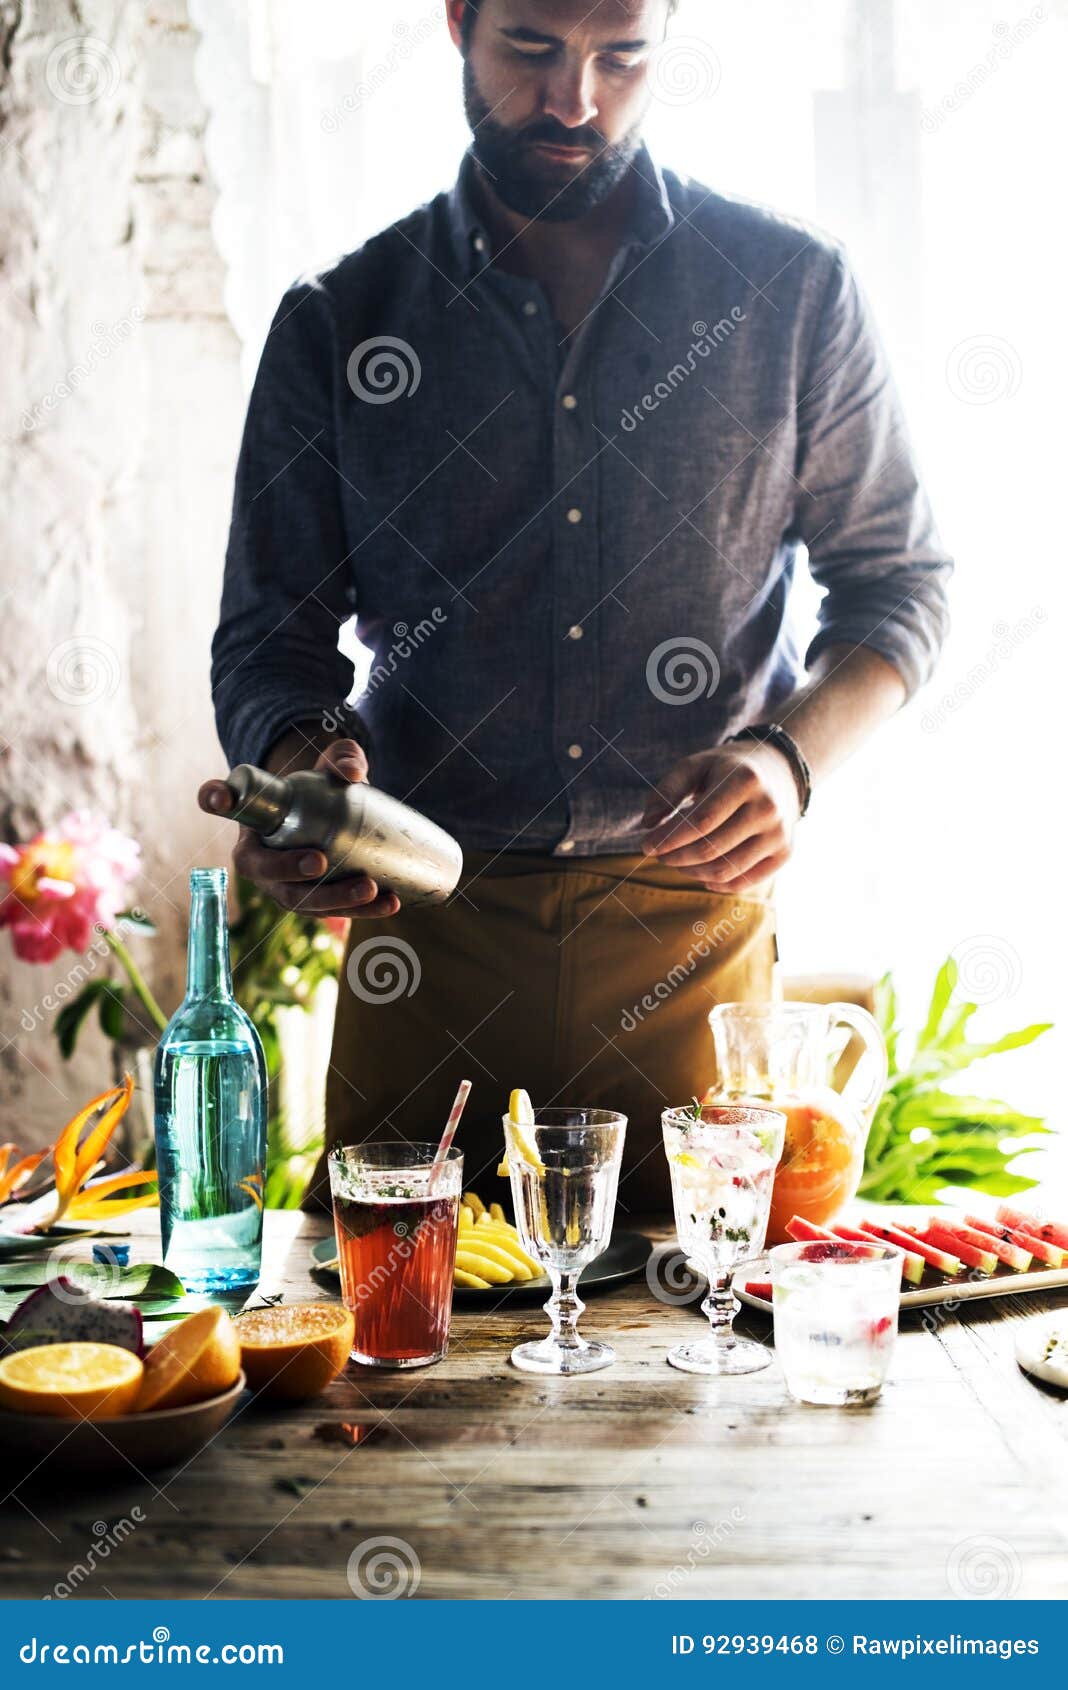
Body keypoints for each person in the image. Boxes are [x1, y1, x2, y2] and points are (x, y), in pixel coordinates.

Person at [200, 0, 951, 1213]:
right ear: (458, 21)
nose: (575, 100)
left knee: (706, 1364)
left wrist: (786, 759)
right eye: (534, 50)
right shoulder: (339, 320)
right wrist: (299, 765)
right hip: (422, 936)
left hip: (696, 945)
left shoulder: (791, 291)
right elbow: (267, 637)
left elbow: (900, 584)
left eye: (624, 55)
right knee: (392, 1367)